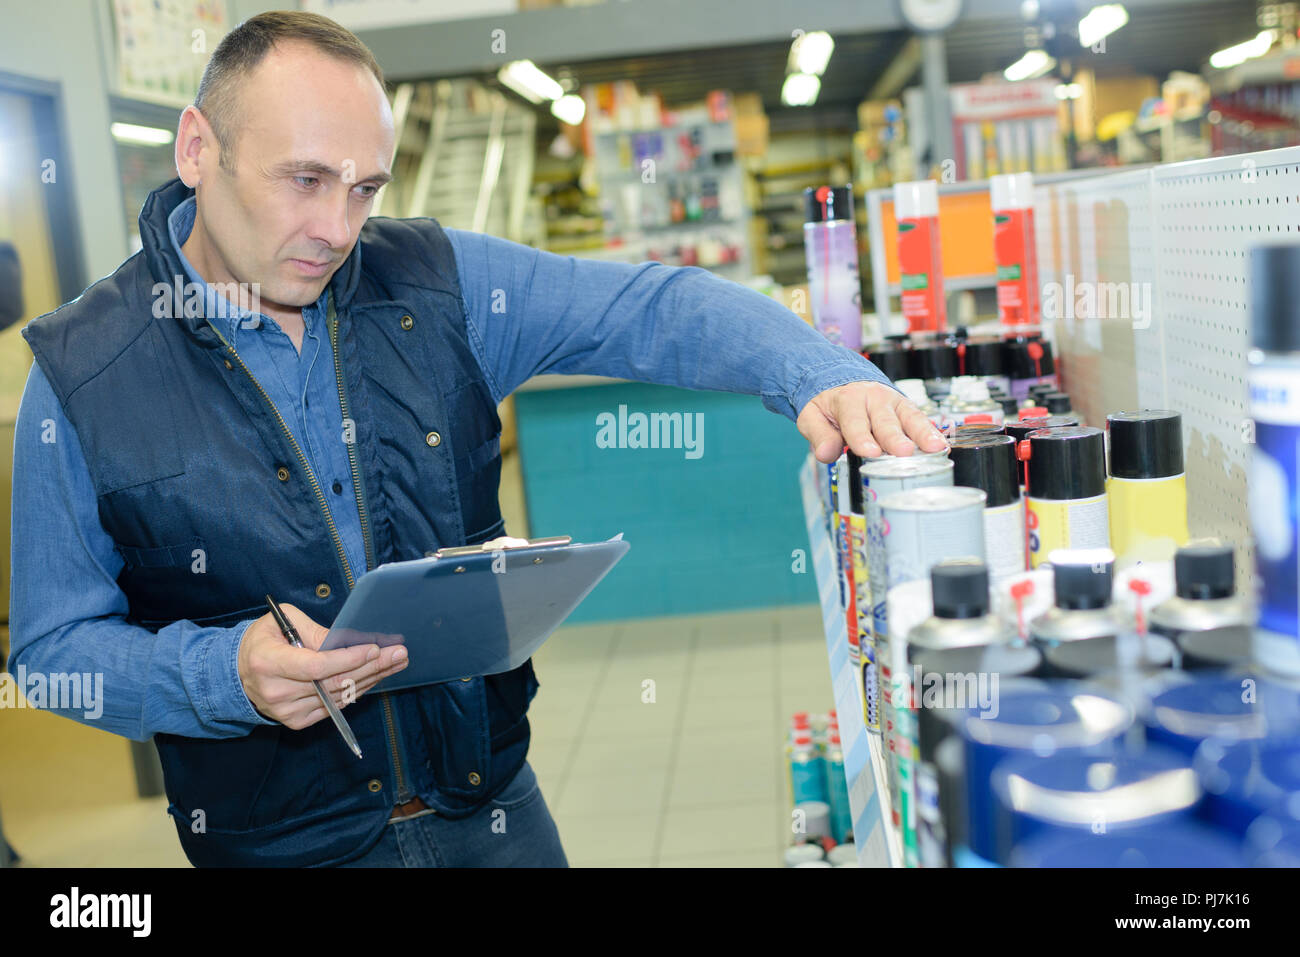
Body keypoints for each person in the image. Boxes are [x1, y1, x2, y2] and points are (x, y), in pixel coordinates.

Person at [8, 11, 943, 868]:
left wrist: (821, 371)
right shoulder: (81, 377)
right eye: (304, 179)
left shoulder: (438, 286)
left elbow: (648, 307)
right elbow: (51, 654)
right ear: (197, 148)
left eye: (365, 187)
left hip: (494, 811)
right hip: (283, 847)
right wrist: (224, 675)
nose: (337, 229)